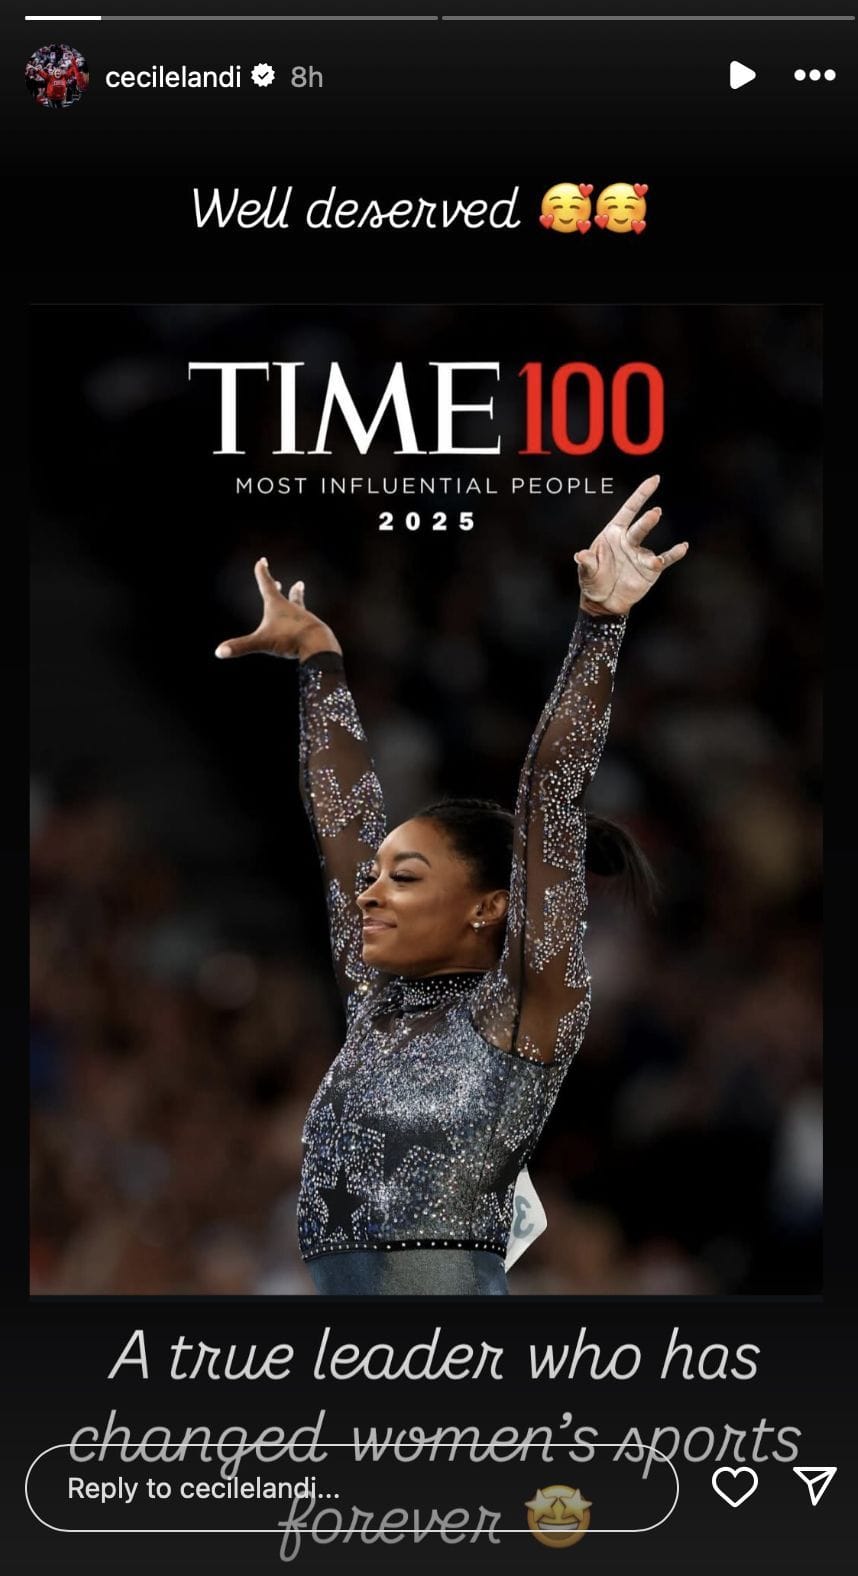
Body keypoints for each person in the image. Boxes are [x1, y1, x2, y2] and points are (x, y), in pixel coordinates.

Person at [215, 476, 688, 1294]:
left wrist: (600, 625)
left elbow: (551, 793)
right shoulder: (375, 997)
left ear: (489, 904)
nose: (368, 892)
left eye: (403, 877)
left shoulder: (528, 1006)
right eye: (376, 878)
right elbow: (342, 819)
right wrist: (318, 656)